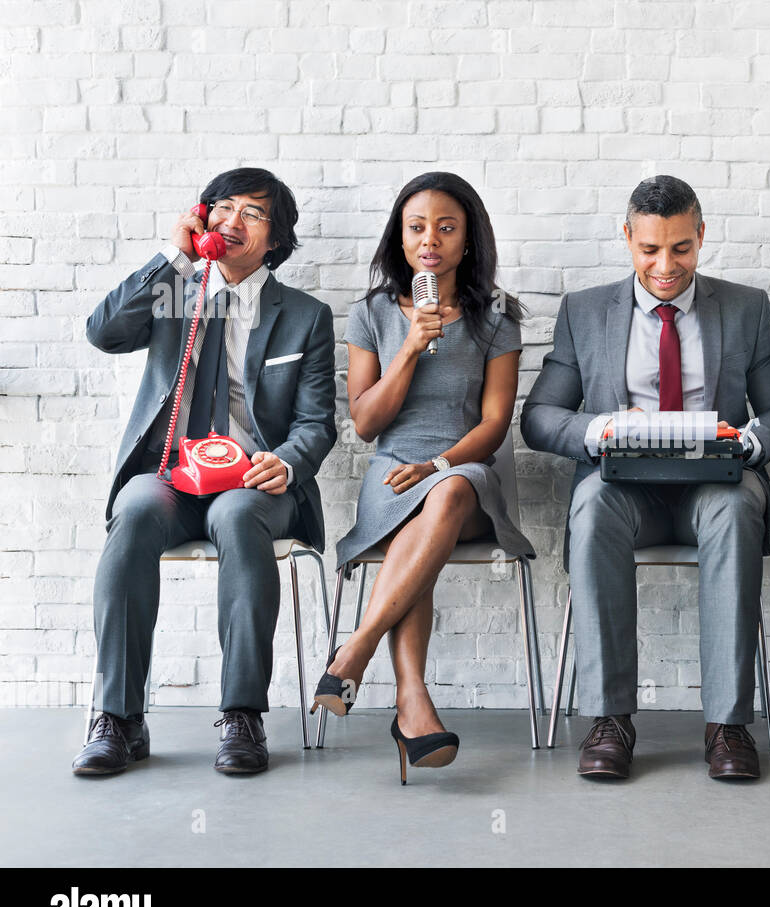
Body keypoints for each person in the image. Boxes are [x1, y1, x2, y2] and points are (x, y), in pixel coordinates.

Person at [521, 175, 770, 781]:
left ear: (701, 236)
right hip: (623, 484)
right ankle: (610, 719)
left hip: (714, 481)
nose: (666, 266)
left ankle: (727, 724)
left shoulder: (746, 308)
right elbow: (539, 417)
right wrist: (602, 428)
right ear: (627, 239)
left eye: (681, 249)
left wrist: (747, 441)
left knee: (736, 508)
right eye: (649, 250)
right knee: (591, 506)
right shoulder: (584, 312)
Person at [79, 167, 337, 775]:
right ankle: (117, 718)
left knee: (240, 515)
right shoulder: (176, 290)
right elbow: (102, 332)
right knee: (135, 509)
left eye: (251, 213)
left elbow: (317, 423)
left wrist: (288, 461)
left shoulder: (305, 314)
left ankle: (242, 714)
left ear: (276, 239)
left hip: (253, 479)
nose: (231, 222)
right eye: (221, 208)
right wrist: (174, 253)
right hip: (171, 476)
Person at [311, 172, 532, 783]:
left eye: (446, 227)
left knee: (452, 490)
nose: (430, 239)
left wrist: (439, 465)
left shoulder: (497, 318)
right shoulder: (372, 314)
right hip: (392, 481)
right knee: (417, 542)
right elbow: (365, 422)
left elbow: (494, 424)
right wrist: (408, 347)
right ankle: (413, 705)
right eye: (416, 227)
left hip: (463, 476)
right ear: (400, 239)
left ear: (468, 241)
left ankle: (354, 651)